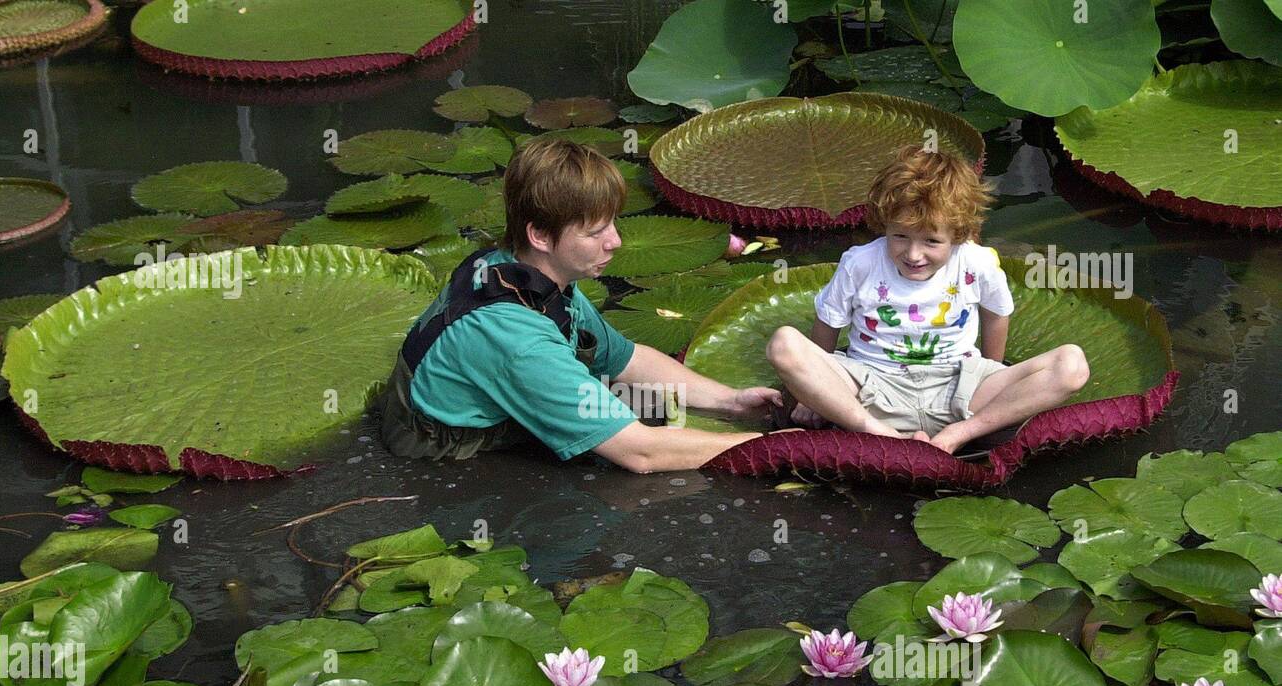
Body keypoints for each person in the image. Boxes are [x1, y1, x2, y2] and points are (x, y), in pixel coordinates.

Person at [379, 138, 782, 473]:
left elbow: (627, 359)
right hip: (443, 453)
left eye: (612, 223)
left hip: (491, 393)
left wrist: (732, 401)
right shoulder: (519, 341)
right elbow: (639, 453)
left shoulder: (521, 271)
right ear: (539, 234)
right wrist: (768, 447)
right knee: (611, 464)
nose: (617, 242)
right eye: (595, 231)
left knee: (650, 401)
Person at [765, 144, 1090, 455]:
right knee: (784, 344)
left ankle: (960, 433)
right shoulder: (859, 264)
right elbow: (828, 323)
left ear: (958, 233)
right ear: (885, 224)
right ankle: (876, 432)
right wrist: (814, 393)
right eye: (900, 236)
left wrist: (991, 372)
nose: (913, 254)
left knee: (1071, 364)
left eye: (932, 241)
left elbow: (996, 314)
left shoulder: (977, 263)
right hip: (872, 384)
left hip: (958, 385)